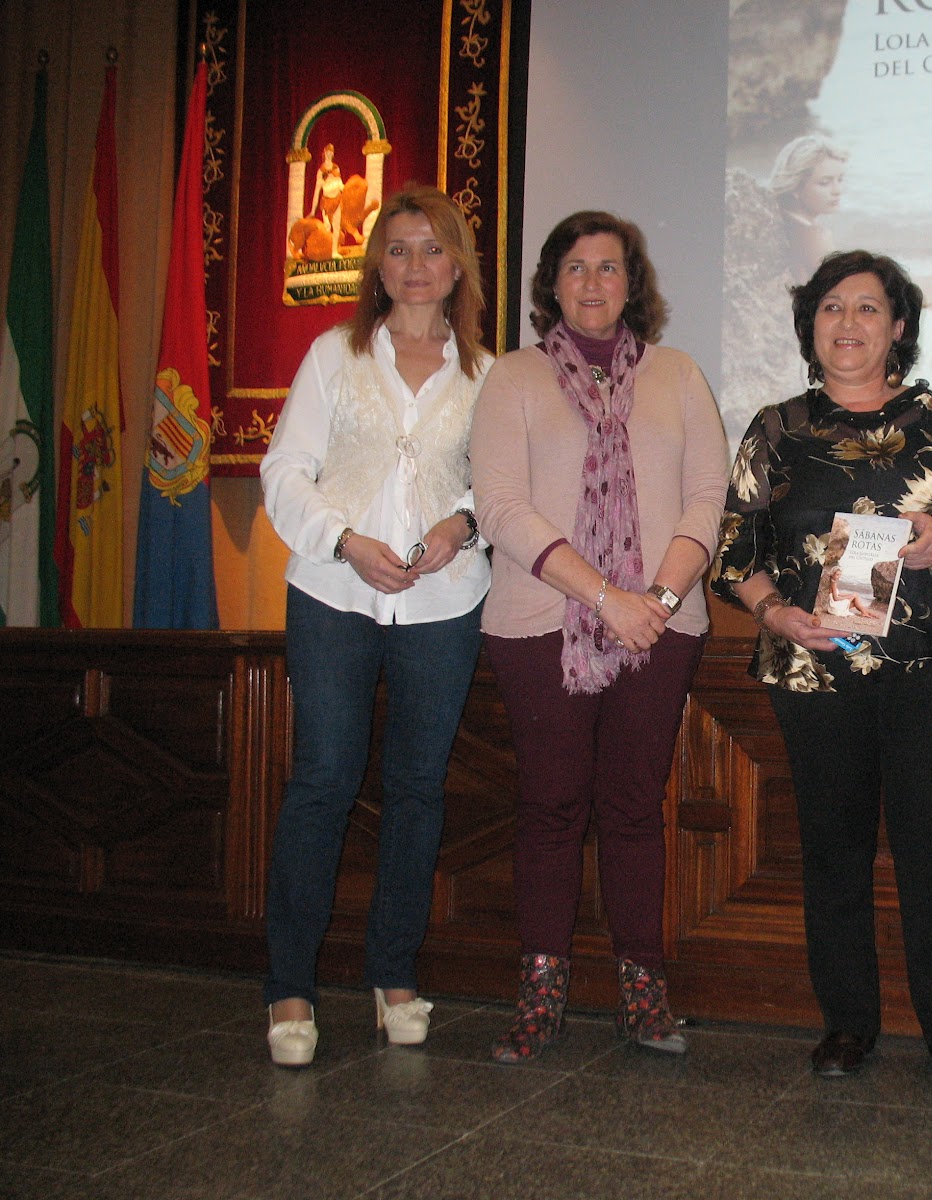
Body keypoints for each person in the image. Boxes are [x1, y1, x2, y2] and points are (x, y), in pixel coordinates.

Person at [712, 249, 932, 1086]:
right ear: (811, 324)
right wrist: (774, 613)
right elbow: (736, 552)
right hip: (814, 667)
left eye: (868, 308)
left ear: (900, 326)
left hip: (927, 663)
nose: (848, 323)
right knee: (833, 847)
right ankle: (847, 1024)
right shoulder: (776, 427)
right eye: (832, 307)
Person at [470, 211, 728, 1060]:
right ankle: (540, 999)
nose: (591, 283)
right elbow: (501, 506)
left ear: (632, 283)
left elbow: (705, 501)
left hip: (661, 624)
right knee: (549, 806)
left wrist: (650, 597)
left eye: (608, 268)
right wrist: (605, 596)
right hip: (541, 622)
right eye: (575, 267)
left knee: (631, 809)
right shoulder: (511, 378)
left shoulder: (679, 375)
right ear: (551, 282)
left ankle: (642, 995)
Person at [260, 185, 491, 1067]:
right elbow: (287, 471)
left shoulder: (487, 371)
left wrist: (459, 524)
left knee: (417, 789)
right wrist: (343, 540)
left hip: (443, 602)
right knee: (321, 780)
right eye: (398, 249)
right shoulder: (332, 354)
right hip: (333, 594)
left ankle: (393, 973)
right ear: (377, 266)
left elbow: (497, 484)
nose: (416, 265)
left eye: (432, 249)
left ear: (458, 264)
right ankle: (289, 985)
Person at [767, 134, 848, 282]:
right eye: (825, 182)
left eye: (840, 179)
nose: (837, 190)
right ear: (796, 187)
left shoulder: (783, 218)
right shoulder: (813, 236)